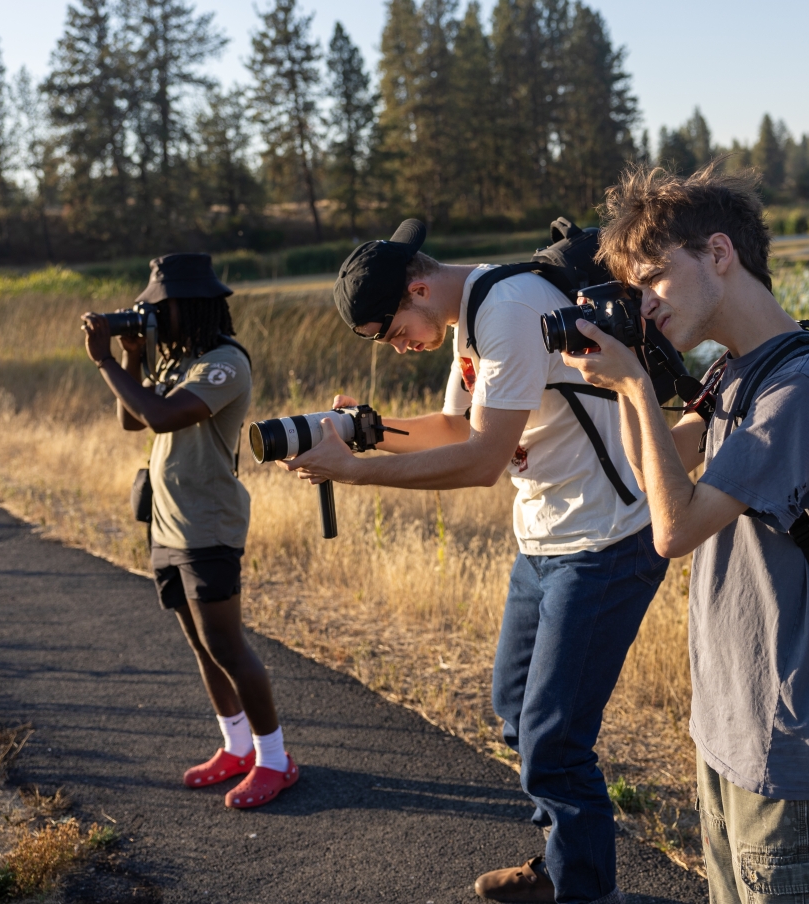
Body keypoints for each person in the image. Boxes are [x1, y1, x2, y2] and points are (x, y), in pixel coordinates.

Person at [279, 220, 667, 904]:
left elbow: (483, 460)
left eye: (393, 332)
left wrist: (353, 471)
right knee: (515, 705)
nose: (399, 349)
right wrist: (367, 431)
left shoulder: (510, 309)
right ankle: (559, 864)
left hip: (606, 538)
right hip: (547, 535)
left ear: (418, 287)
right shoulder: (474, 315)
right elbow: (457, 427)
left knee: (555, 741)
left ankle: (586, 893)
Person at [560, 165, 809, 904]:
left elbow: (673, 530)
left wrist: (637, 387)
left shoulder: (799, 390)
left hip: (792, 750)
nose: (644, 305)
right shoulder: (739, 374)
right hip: (731, 733)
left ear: (719, 254)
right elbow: (654, 466)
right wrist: (619, 373)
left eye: (653, 282)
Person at [81, 253, 298, 810]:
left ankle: (275, 760)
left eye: (158, 307)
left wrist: (105, 363)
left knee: (226, 643)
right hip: (167, 521)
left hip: (207, 522)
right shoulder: (180, 360)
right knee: (201, 646)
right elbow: (134, 418)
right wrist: (132, 356)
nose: (149, 315)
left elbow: (161, 417)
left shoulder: (224, 363)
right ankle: (236, 747)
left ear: (190, 306)